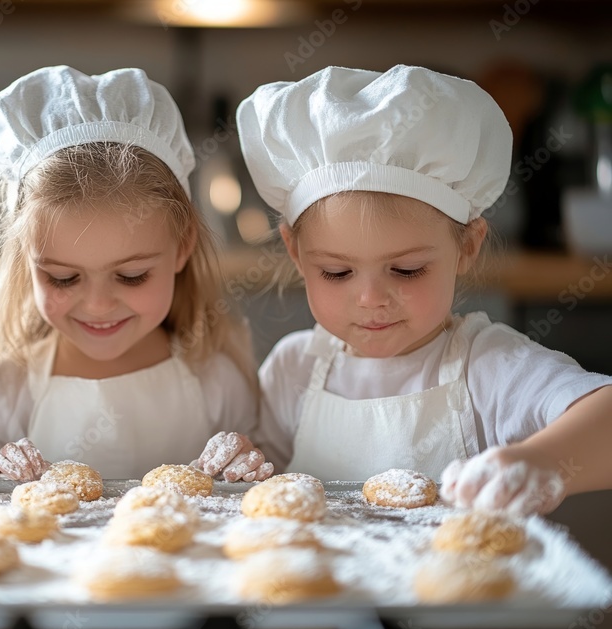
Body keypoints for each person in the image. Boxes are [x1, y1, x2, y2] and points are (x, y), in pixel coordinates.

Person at [238, 65, 612, 514]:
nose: (371, 298)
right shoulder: (293, 371)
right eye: (336, 272)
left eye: (407, 269)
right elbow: (262, 483)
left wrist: (543, 462)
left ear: (467, 247)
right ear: (295, 253)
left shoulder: (486, 368)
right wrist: (246, 460)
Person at [0, 65, 270, 482]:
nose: (98, 304)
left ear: (182, 246)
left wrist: (245, 466)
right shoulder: (10, 387)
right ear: (26, 262)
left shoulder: (217, 380)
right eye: (63, 278)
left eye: (131, 275)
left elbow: (255, 488)